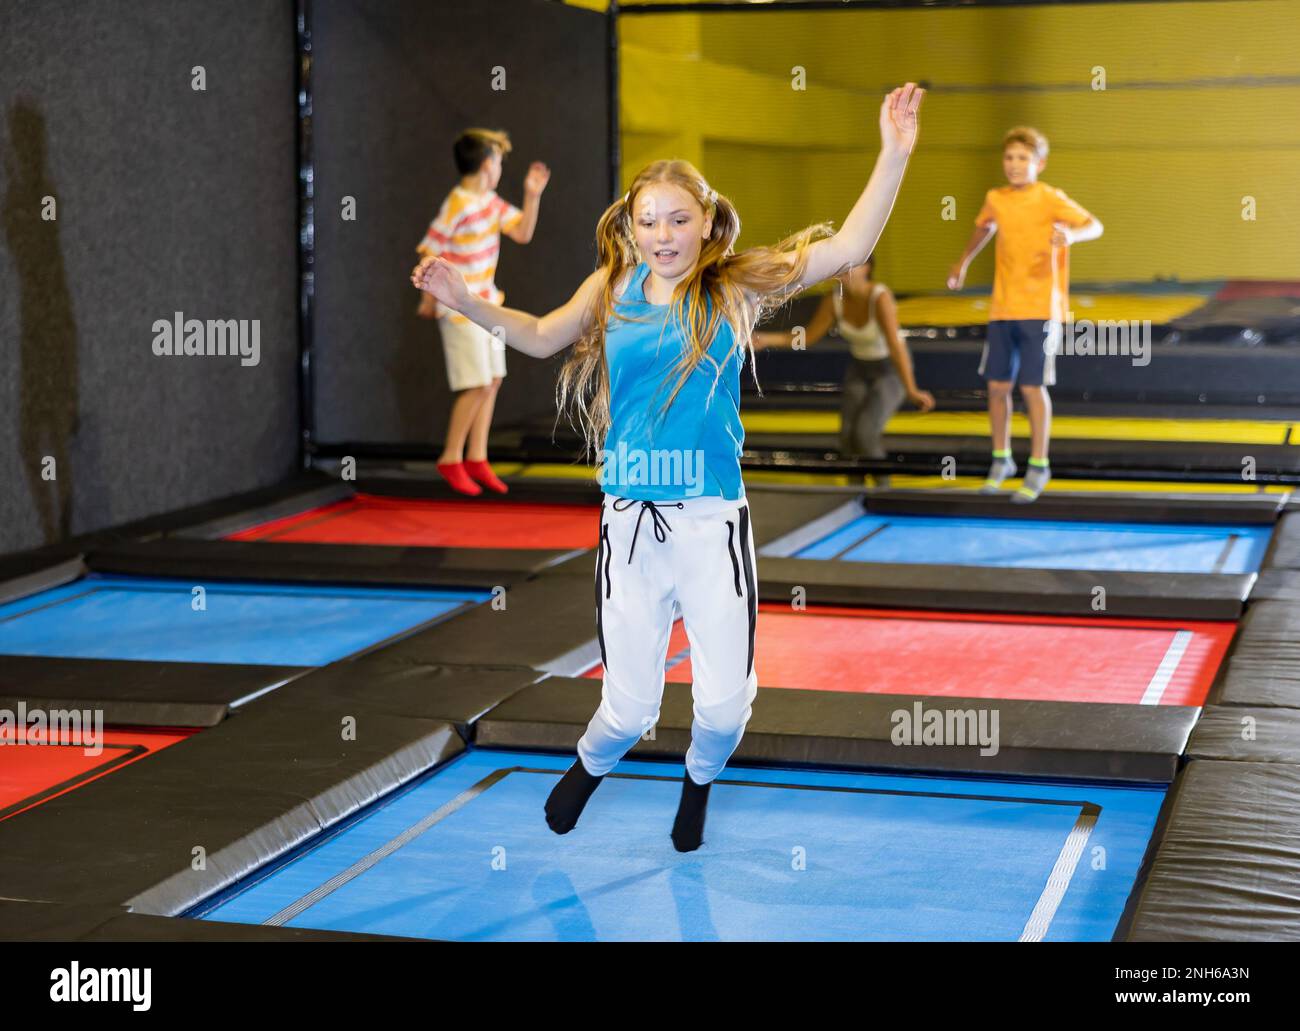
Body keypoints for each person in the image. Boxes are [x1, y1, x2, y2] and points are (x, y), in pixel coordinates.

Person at [413, 84, 924, 851]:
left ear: (708, 223)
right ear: (630, 226)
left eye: (678, 219)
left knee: (723, 711)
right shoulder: (613, 288)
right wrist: (465, 300)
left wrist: (893, 154)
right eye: (648, 221)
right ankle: (590, 765)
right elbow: (542, 334)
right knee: (624, 709)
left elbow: (846, 248)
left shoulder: (732, 287)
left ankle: (699, 780)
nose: (662, 234)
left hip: (709, 521)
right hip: (629, 524)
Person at [947, 126, 1102, 502]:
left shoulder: (1050, 198)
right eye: (1009, 158)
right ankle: (1001, 459)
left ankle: (1039, 464)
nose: (1014, 165)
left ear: (1039, 164)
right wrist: (963, 261)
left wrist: (1072, 237)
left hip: (1040, 309)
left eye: (1023, 159)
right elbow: (984, 227)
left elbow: (1093, 225)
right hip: (1004, 307)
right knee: (997, 386)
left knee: (1032, 387)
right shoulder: (996, 198)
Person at [416, 128, 550, 495]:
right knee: (475, 384)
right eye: (499, 162)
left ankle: (477, 456)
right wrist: (429, 296)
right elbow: (431, 246)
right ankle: (451, 457)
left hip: (488, 307)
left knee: (491, 381)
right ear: (488, 165)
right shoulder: (457, 202)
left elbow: (522, 232)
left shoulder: (491, 203)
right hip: (459, 310)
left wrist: (531, 195)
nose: (501, 169)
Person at [753, 255, 934, 460]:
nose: (844, 273)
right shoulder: (834, 300)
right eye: (841, 268)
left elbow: (896, 347)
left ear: (867, 269)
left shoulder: (880, 298)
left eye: (852, 267)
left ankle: (882, 490)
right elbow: (808, 336)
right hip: (860, 369)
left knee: (865, 435)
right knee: (847, 438)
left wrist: (911, 390)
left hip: (890, 370)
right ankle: (855, 490)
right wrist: (767, 339)